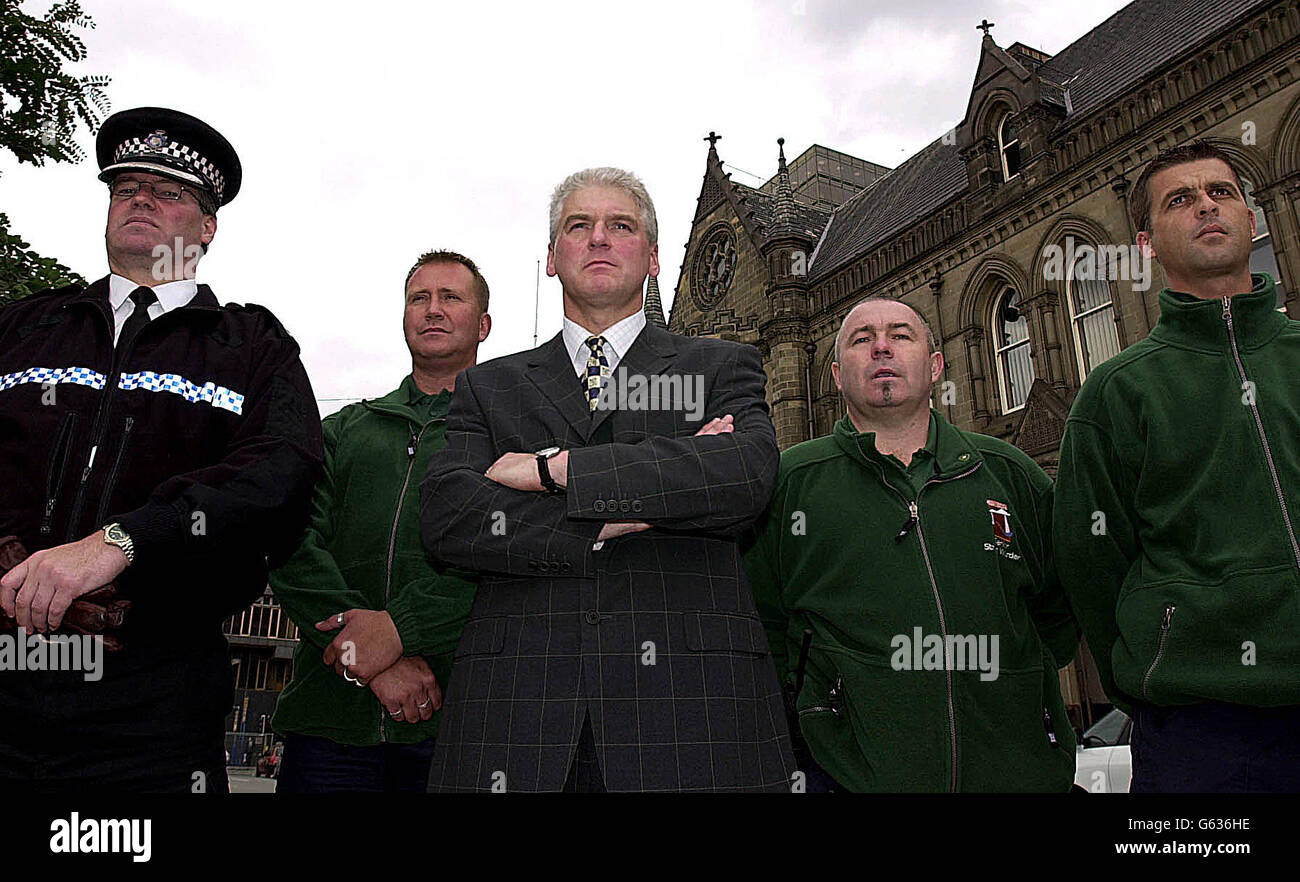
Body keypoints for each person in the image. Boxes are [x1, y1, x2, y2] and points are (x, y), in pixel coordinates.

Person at [420, 167, 795, 792]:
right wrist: (646, 500)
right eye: (579, 226)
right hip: (516, 719)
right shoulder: (487, 387)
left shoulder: (721, 364)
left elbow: (743, 478)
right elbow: (450, 518)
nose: (598, 239)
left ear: (651, 258)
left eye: (620, 227)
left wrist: (553, 469)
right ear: (550, 259)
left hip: (694, 714)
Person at [0, 107, 323, 792]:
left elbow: (278, 479)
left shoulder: (253, 349)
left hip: (150, 711)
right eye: (125, 188)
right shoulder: (24, 328)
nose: (140, 199)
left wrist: (122, 543)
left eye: (168, 191)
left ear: (206, 228)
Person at [744, 296, 1079, 792]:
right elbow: (764, 635)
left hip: (1017, 774)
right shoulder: (790, 483)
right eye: (862, 339)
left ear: (935, 365)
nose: (881, 347)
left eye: (901, 335)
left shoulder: (1009, 474)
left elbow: (1059, 616)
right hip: (848, 779)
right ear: (837, 375)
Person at [1055, 139, 1300, 792]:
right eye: (1180, 199)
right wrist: (1159, 669)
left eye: (1222, 192)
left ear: (1252, 217)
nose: (1206, 207)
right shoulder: (1115, 392)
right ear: (1146, 244)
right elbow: (1093, 566)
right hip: (1202, 734)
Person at [268, 250, 490, 792]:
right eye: (420, 298)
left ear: (483, 324)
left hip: (456, 725)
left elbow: (507, 559)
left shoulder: (510, 440)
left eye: (450, 298)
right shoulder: (344, 429)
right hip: (329, 722)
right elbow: (289, 542)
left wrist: (399, 629)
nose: (432, 310)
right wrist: (369, 656)